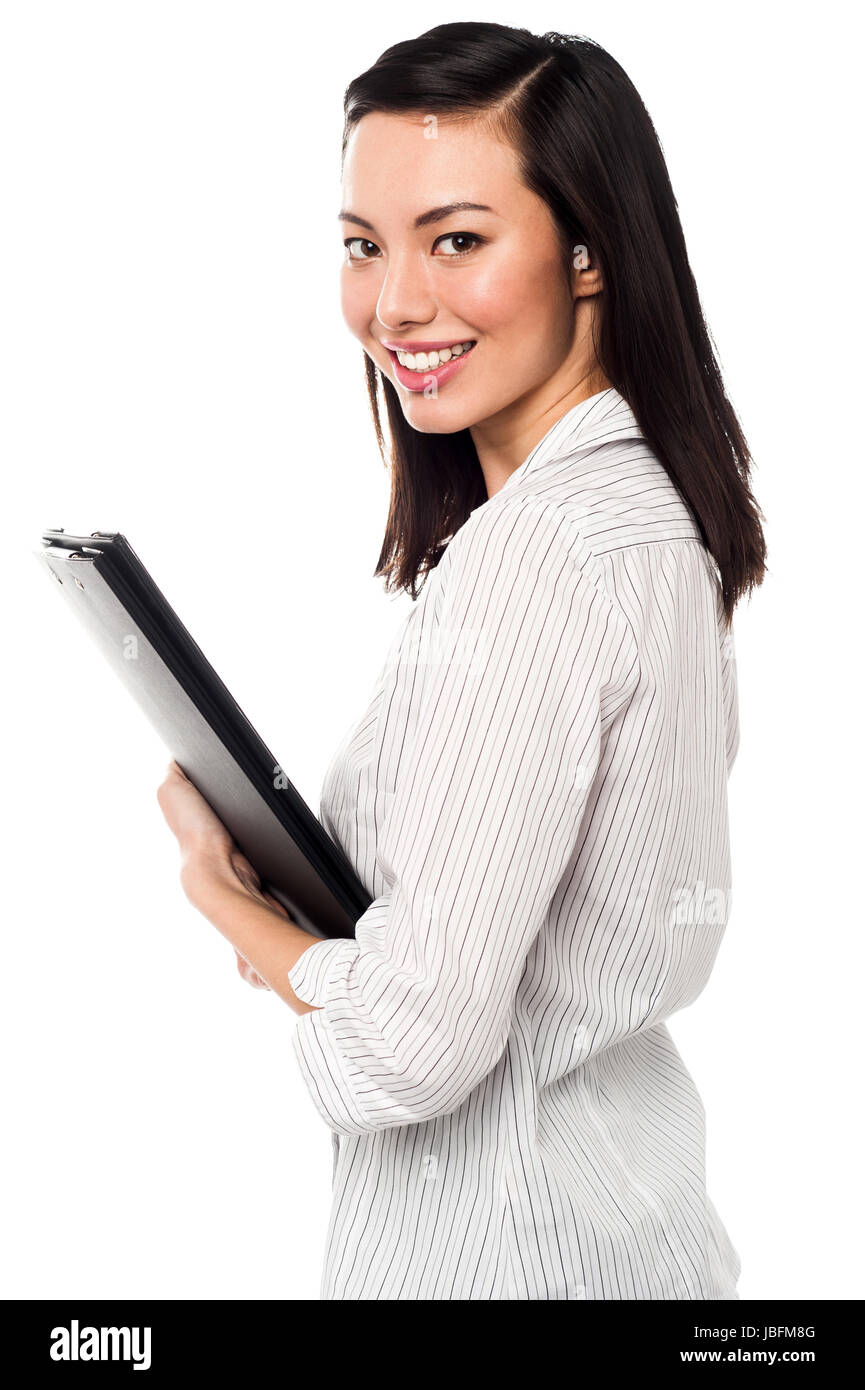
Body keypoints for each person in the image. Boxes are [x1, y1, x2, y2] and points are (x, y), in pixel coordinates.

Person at [157, 21, 767, 1300]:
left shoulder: (547, 556)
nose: (394, 306)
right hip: (623, 1242)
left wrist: (221, 894)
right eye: (361, 246)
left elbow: (408, 1046)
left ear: (589, 249)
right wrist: (315, 920)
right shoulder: (640, 519)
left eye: (458, 240)